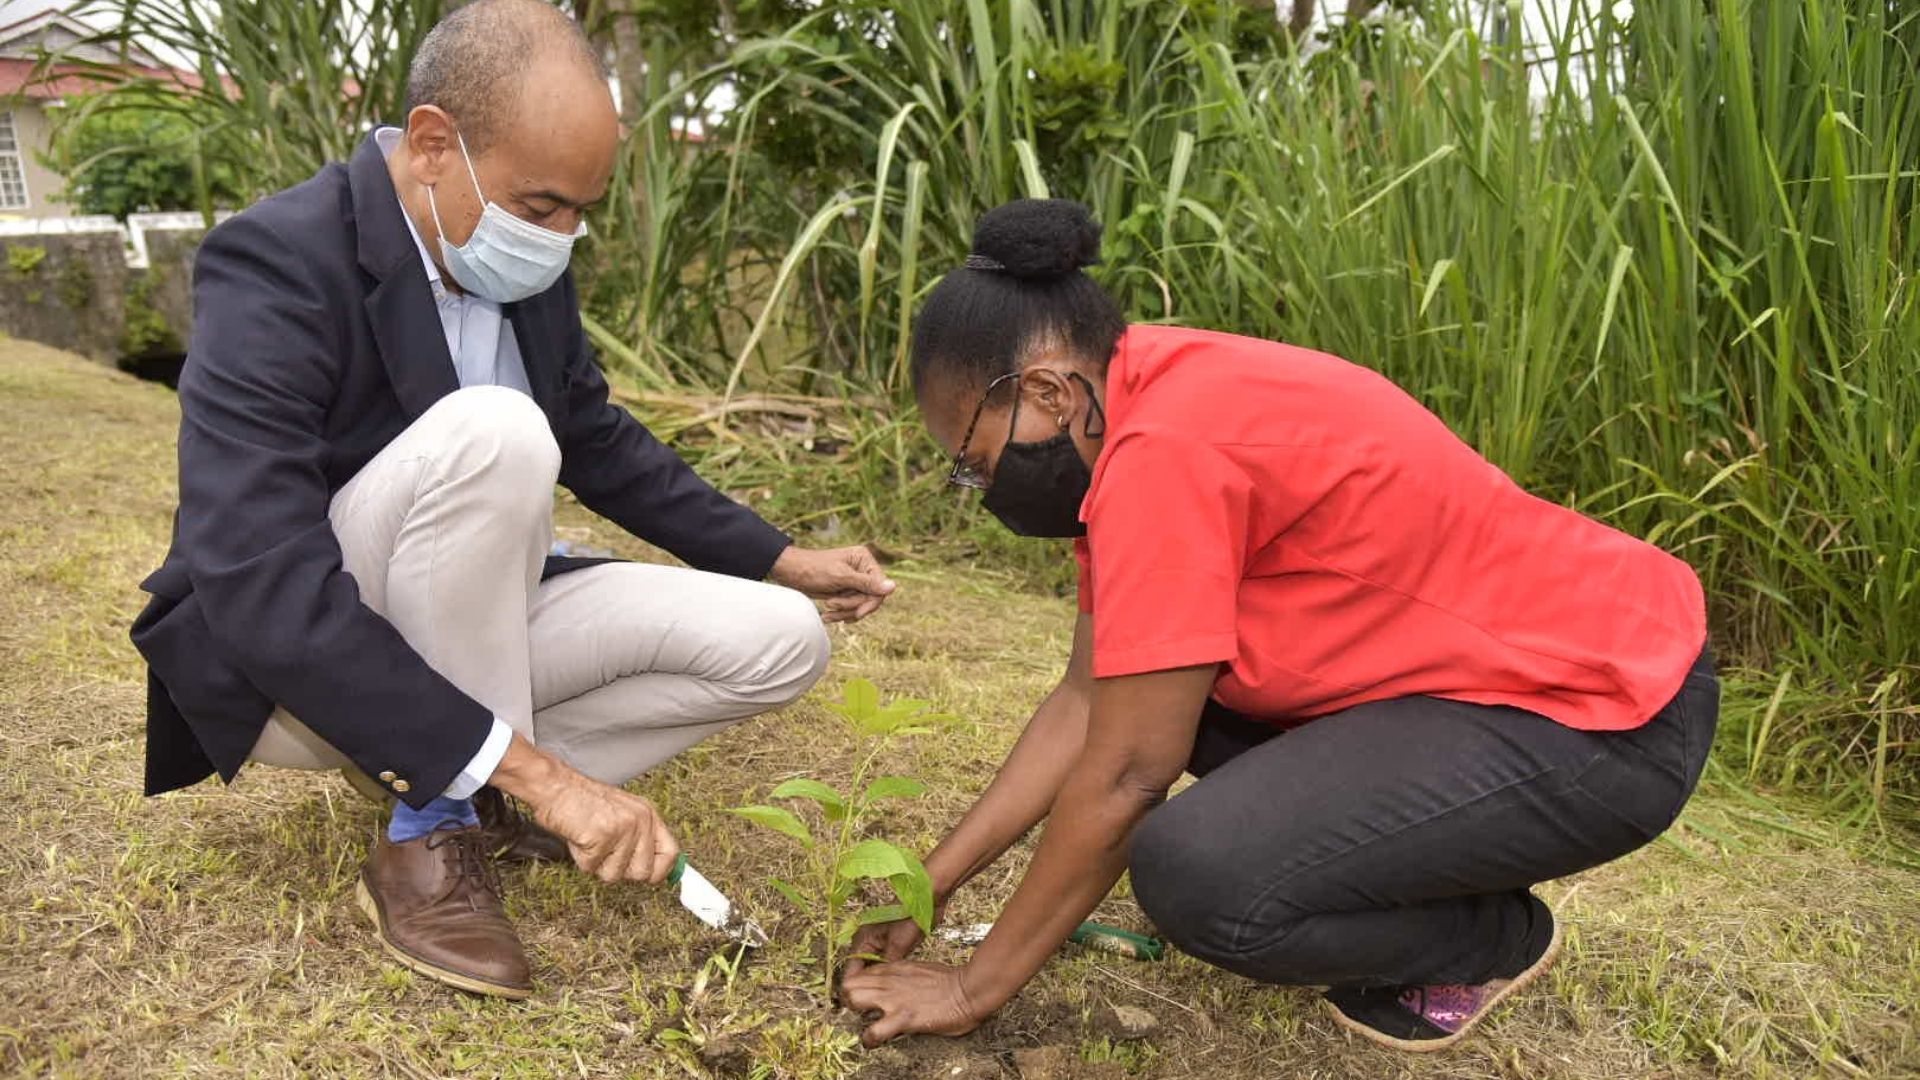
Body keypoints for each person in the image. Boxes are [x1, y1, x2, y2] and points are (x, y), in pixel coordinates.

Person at [130, 0, 895, 1001]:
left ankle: (459, 770)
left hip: (469, 620)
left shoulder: (514, 245)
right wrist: (554, 780)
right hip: (297, 671)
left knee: (785, 639)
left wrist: (780, 557)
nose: (562, 238)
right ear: (436, 145)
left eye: (581, 211)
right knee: (496, 430)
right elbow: (260, 581)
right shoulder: (277, 261)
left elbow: (592, 436)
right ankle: (435, 822)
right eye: (543, 209)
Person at [838, 199, 1717, 1052]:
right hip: (1492, 691)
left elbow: (1128, 776)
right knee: (1182, 717)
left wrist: (971, 987)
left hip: (1605, 716)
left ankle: (1485, 939)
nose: (986, 489)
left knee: (1201, 874)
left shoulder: (1163, 453)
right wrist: (928, 887)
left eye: (977, 460)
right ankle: (1432, 865)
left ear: (1046, 391)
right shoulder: (1138, 397)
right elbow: (1085, 699)